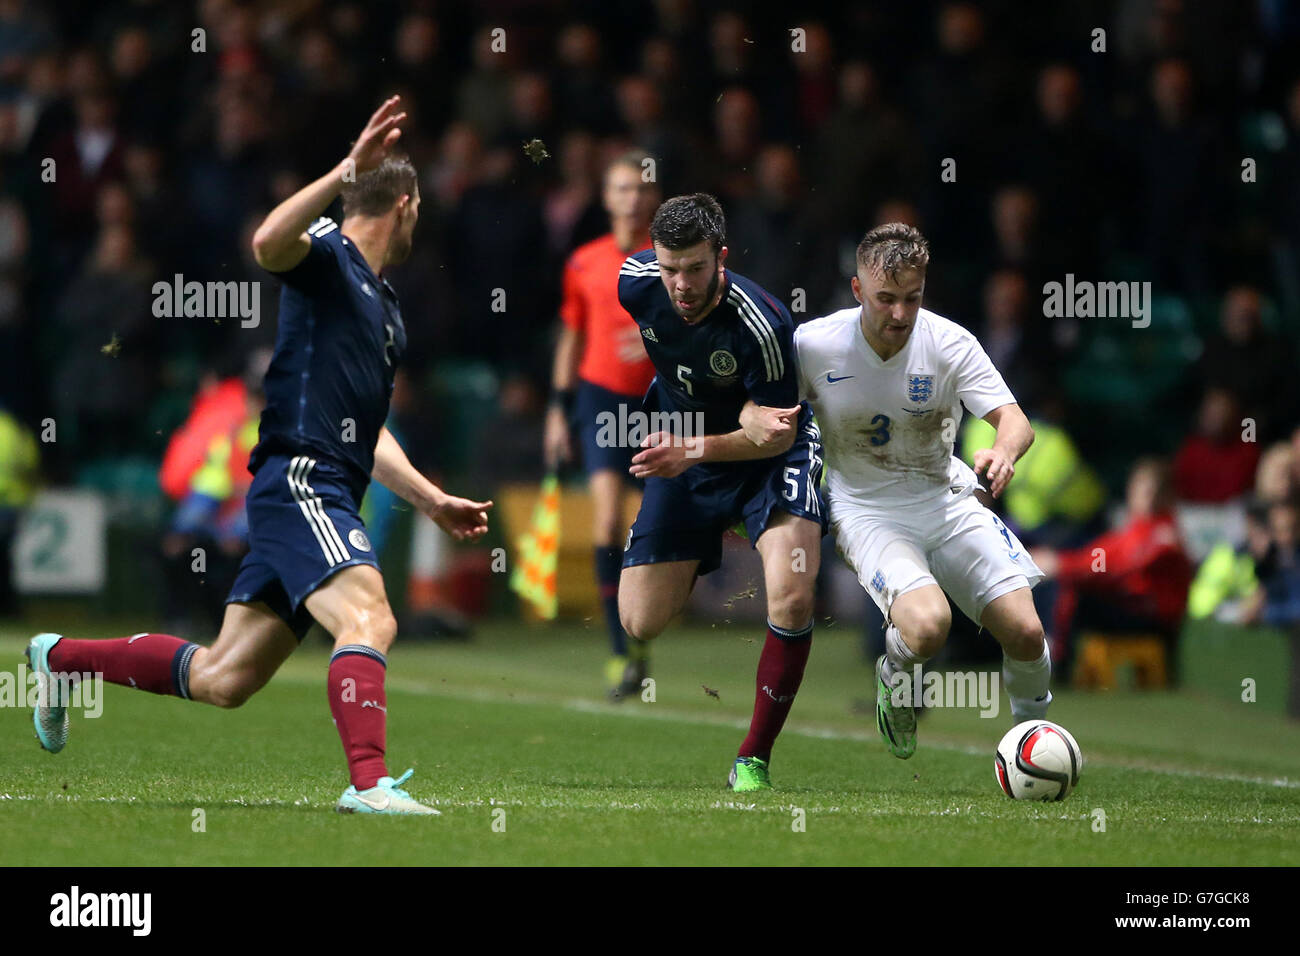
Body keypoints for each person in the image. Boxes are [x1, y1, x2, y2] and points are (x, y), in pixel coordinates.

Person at [26, 97, 493, 815]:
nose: (421, 217)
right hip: (302, 479)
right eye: (421, 205)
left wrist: (430, 498)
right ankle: (367, 784)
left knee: (223, 678)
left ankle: (58, 660)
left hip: (323, 485)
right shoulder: (328, 258)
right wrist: (343, 171)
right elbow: (268, 242)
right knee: (371, 619)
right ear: (405, 203)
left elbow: (366, 427)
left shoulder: (386, 307)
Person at [753, 222, 1050, 759]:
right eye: (885, 299)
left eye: (911, 299)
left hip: (946, 498)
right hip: (866, 510)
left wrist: (1003, 452)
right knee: (930, 625)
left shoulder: (950, 343)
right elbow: (760, 408)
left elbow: (1015, 421)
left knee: (1027, 632)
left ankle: (1033, 744)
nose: (899, 314)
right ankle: (896, 674)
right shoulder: (814, 345)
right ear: (857, 289)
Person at [616, 193, 827, 792]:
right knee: (640, 621)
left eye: (696, 268)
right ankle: (711, 530)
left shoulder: (764, 324)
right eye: (670, 268)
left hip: (767, 461)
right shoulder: (636, 283)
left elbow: (772, 434)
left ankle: (753, 759)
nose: (680, 284)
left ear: (722, 258)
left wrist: (698, 446)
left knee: (790, 597)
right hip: (688, 454)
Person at [543, 150, 660, 699]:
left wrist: (653, 340)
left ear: (651, 197)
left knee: (652, 524)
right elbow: (571, 335)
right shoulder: (584, 262)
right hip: (600, 399)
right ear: (606, 196)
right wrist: (557, 410)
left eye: (639, 188)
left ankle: (640, 629)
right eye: (620, 188)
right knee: (606, 521)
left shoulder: (671, 260)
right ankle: (622, 653)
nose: (630, 198)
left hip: (661, 402)